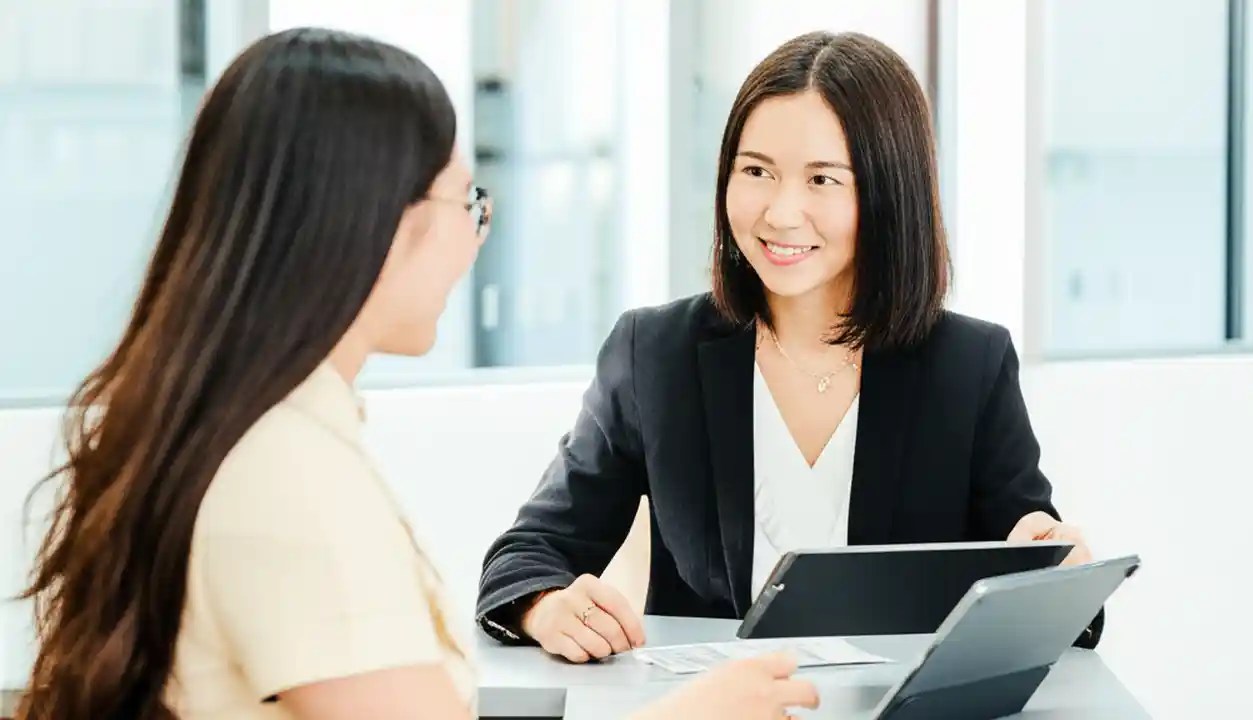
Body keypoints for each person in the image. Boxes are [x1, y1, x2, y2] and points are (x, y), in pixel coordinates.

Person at [16, 28, 818, 720]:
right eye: (465, 201)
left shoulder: (245, 435)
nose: (475, 241)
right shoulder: (287, 476)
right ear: (362, 221)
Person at [477, 30, 1102, 662]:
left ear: (890, 192)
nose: (780, 212)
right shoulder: (655, 354)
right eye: (756, 172)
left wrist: (1058, 567)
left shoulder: (970, 366)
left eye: (824, 179)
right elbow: (527, 555)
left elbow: (1040, 583)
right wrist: (546, 604)